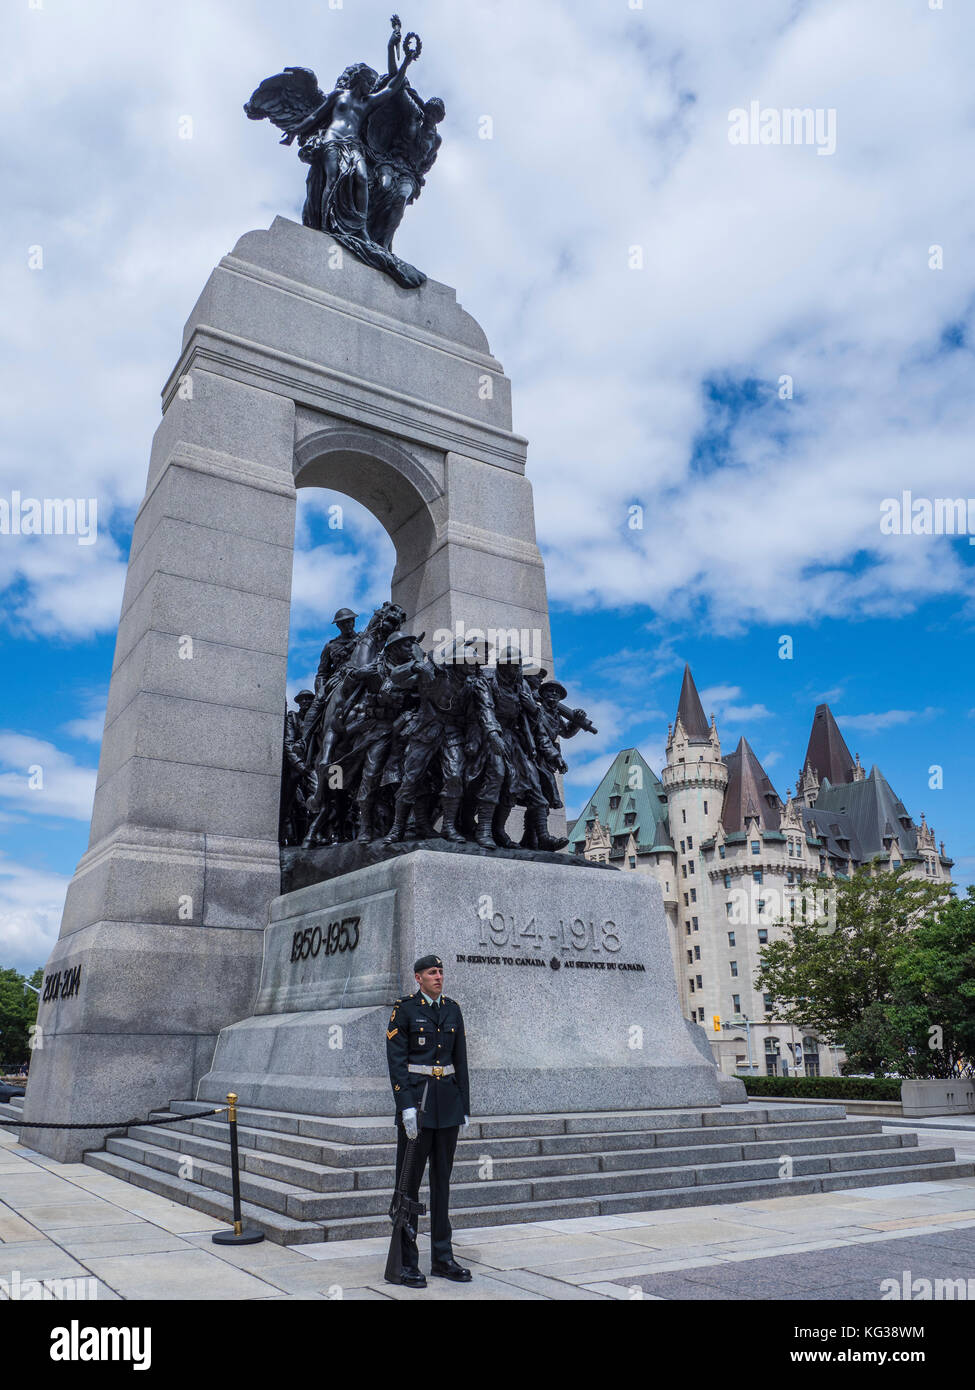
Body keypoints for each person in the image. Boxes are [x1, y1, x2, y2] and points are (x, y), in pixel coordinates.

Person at [385, 954, 472, 1287]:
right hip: (417, 1108)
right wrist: (405, 1105)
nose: (439, 976)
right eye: (432, 973)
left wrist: (463, 1104)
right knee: (408, 1187)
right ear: (418, 978)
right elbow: (397, 1061)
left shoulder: (452, 1009)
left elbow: (460, 1059)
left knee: (442, 1183)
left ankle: (442, 1256)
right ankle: (406, 1261)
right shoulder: (404, 1010)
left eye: (441, 972)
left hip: (446, 1105)